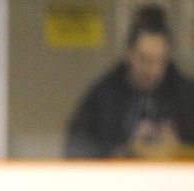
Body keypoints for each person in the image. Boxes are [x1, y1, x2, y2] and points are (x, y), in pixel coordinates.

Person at [65, 4, 194, 159]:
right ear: (129, 53)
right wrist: (123, 150)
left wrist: (179, 148)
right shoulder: (104, 95)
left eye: (159, 60)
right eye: (144, 59)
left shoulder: (185, 94)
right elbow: (77, 145)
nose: (151, 69)